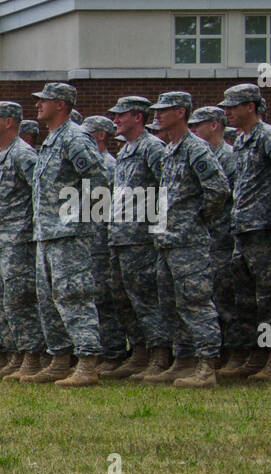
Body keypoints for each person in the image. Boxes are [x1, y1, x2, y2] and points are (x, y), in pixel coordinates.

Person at [144, 91, 230, 388]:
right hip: (166, 242)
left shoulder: (197, 149)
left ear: (181, 112)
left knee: (195, 302)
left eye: (164, 110)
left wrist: (196, 219)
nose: (157, 115)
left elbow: (218, 189)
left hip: (188, 243)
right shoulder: (170, 150)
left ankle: (206, 366)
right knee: (171, 304)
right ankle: (183, 361)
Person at [28, 82, 107, 387]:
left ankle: (87, 362)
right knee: (49, 300)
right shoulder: (52, 140)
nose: (38, 105)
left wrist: (81, 221)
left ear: (61, 104)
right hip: (47, 234)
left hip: (69, 235)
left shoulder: (75, 137)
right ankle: (60, 359)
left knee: (74, 297)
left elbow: (98, 179)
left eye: (44, 101)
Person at [218, 83, 271, 381]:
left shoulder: (270, 139)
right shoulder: (241, 140)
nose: (228, 112)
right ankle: (257, 352)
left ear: (251, 107)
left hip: (263, 230)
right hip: (242, 230)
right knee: (246, 299)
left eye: (234, 106)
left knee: (270, 298)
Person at [102, 95, 169, 381]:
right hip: (120, 238)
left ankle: (160, 354)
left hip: (142, 240)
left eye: (121, 115)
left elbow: (167, 191)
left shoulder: (153, 148)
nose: (115, 120)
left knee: (145, 299)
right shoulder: (128, 150)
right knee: (123, 299)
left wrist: (159, 232)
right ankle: (139, 352)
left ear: (138, 117)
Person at [0, 102, 39, 380]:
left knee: (19, 300)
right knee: (1, 302)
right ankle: (14, 354)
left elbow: (38, 194)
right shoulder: (0, 155)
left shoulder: (24, 154)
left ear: (11, 122)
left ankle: (31, 356)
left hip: (17, 240)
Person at [189, 106, 241, 369]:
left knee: (225, 295)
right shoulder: (200, 154)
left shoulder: (229, 157)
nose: (193, 129)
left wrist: (204, 217)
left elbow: (227, 197)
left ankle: (234, 353)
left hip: (222, 237)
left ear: (214, 125)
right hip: (204, 239)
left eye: (198, 124)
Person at [81, 114, 127, 371]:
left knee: (103, 299)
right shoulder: (92, 163)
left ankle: (113, 351)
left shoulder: (108, 166)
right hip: (89, 242)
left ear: (100, 135)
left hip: (102, 242)